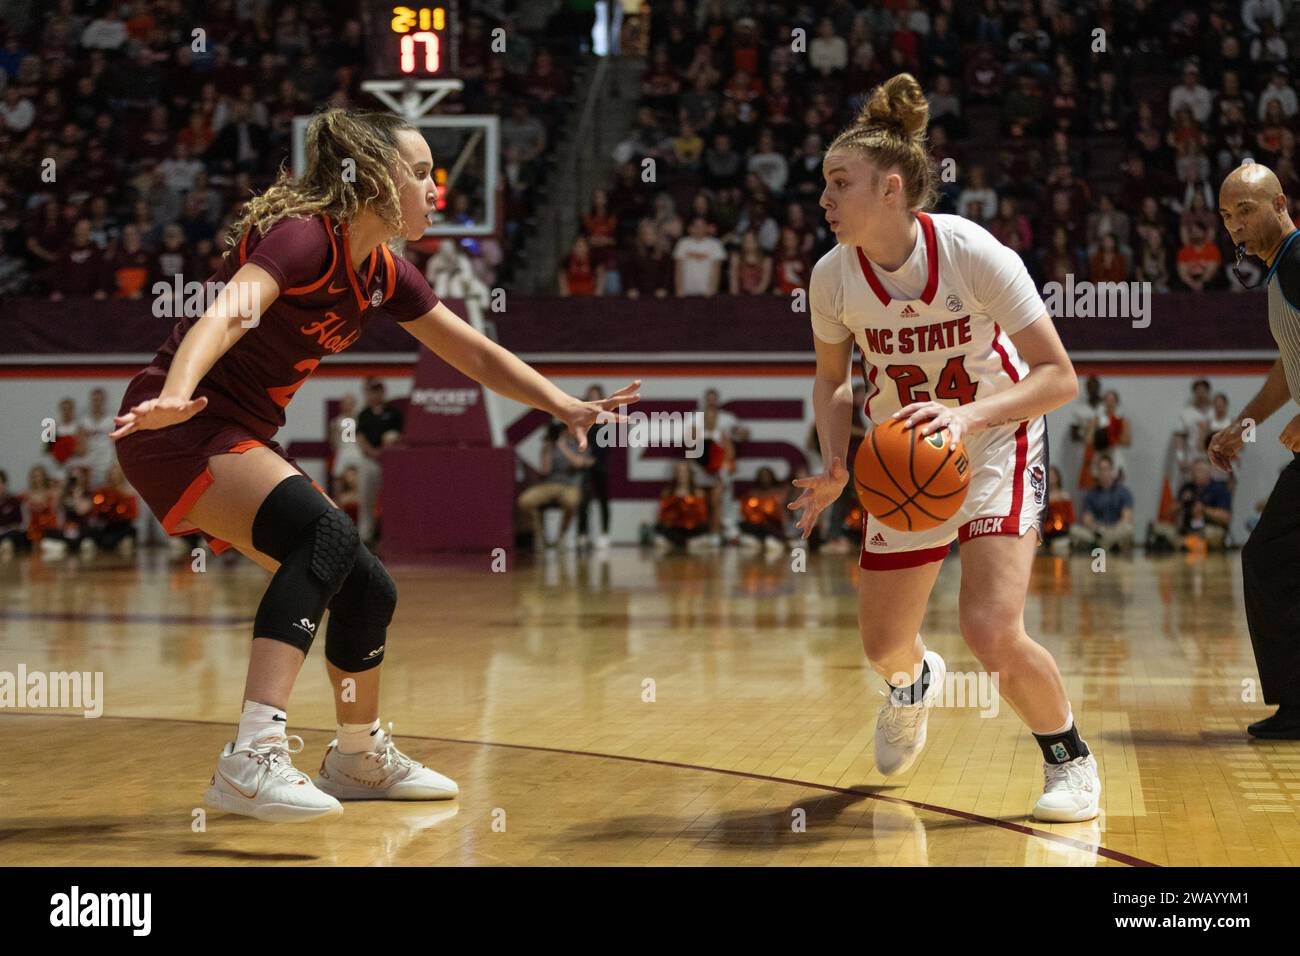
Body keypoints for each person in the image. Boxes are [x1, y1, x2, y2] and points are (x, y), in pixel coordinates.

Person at [111, 108, 640, 822]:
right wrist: (178, 391)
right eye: (420, 172)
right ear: (372, 179)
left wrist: (563, 406)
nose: (434, 187)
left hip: (227, 431)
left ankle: (356, 757)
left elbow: (474, 352)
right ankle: (251, 757)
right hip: (178, 426)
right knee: (323, 536)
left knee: (369, 590)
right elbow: (231, 311)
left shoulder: (384, 271)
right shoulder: (304, 238)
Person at [790, 74, 1099, 822]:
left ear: (891, 189)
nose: (824, 199)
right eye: (823, 184)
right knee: (882, 646)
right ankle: (912, 685)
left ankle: (1071, 762)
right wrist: (837, 464)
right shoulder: (832, 277)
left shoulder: (970, 252)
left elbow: (1060, 378)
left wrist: (967, 420)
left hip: (996, 437)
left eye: (840, 184)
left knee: (989, 627)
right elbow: (834, 382)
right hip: (904, 460)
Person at [1209, 160, 1300, 738]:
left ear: (1279, 202)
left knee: (1269, 558)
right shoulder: (1281, 274)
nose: (1235, 225)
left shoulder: (1299, 259)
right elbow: (1287, 372)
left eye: (1245, 209)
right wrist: (1239, 429)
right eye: (1225, 216)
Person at [516, 420, 590, 550]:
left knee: (571, 501)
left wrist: (563, 447)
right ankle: (541, 536)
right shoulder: (550, 445)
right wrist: (548, 448)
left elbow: (578, 463)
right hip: (549, 485)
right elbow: (545, 470)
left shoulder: (580, 445)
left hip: (569, 486)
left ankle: (561, 536)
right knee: (525, 501)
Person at [1069, 454, 1135, 552]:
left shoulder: (1123, 492)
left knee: (1128, 528)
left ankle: (1102, 545)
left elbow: (1126, 517)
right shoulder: (1090, 494)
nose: (1104, 472)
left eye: (1106, 469)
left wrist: (1111, 531)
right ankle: (1107, 545)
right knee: (1074, 529)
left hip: (1115, 529)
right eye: (1101, 469)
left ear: (1112, 471)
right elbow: (1087, 518)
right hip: (1098, 531)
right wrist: (1096, 528)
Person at [577, 384, 612, 551]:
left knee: (603, 500)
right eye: (590, 396)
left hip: (599, 465)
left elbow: (605, 447)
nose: (593, 400)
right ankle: (583, 535)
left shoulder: (606, 421)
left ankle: (605, 534)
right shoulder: (583, 420)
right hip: (584, 465)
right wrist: (584, 461)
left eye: (596, 396)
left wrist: (594, 460)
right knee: (583, 501)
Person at [655, 460, 710, 551]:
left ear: (689, 474)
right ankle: (683, 543)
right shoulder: (668, 492)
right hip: (674, 528)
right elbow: (661, 515)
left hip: (692, 529)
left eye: (684, 472)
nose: (682, 475)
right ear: (675, 474)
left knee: (704, 528)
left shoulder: (698, 493)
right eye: (679, 472)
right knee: (659, 528)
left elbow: (703, 516)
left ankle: (680, 543)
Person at [738, 466, 787, 554]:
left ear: (772, 477)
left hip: (774, 525)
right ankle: (756, 541)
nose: (764, 479)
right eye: (762, 476)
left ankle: (775, 540)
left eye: (767, 476)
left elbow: (782, 513)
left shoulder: (780, 493)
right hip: (755, 525)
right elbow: (745, 512)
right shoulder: (751, 494)